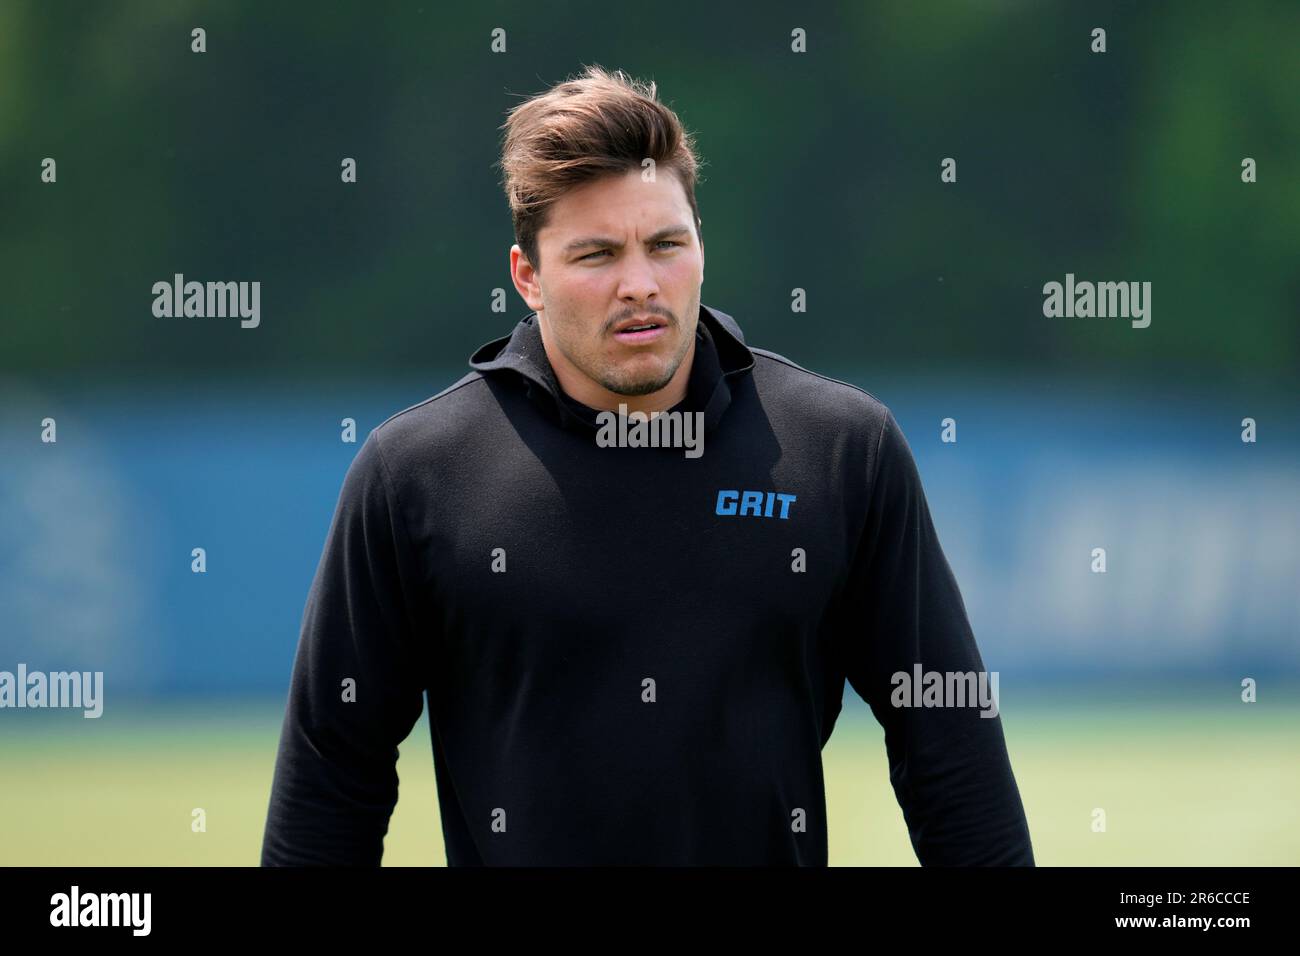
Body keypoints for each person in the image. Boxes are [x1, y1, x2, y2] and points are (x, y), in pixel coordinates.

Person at [260, 64, 1034, 866]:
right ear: (528, 276)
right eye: (596, 256)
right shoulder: (416, 474)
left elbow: (951, 754)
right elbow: (330, 787)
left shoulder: (839, 449)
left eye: (666, 244)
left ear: (702, 243)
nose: (641, 285)